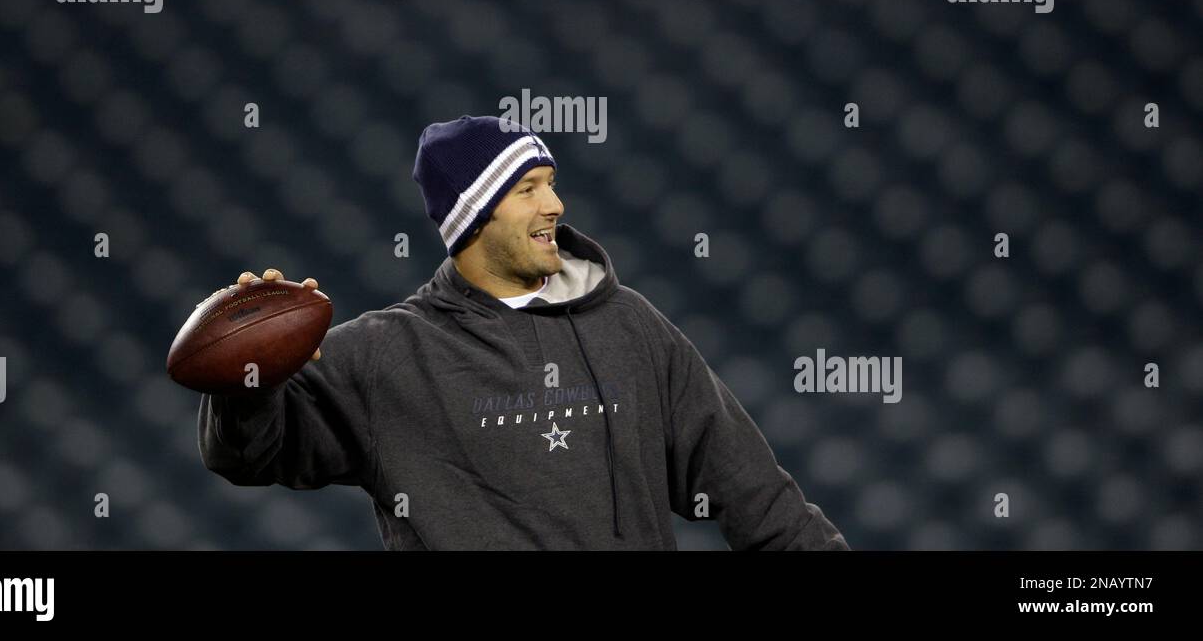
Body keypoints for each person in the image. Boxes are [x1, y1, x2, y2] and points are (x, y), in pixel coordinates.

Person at [198, 114, 850, 550]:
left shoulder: (632, 326)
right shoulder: (383, 355)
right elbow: (246, 457)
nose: (555, 204)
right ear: (471, 216)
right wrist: (248, 382)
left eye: (552, 184)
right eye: (529, 189)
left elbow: (759, 502)